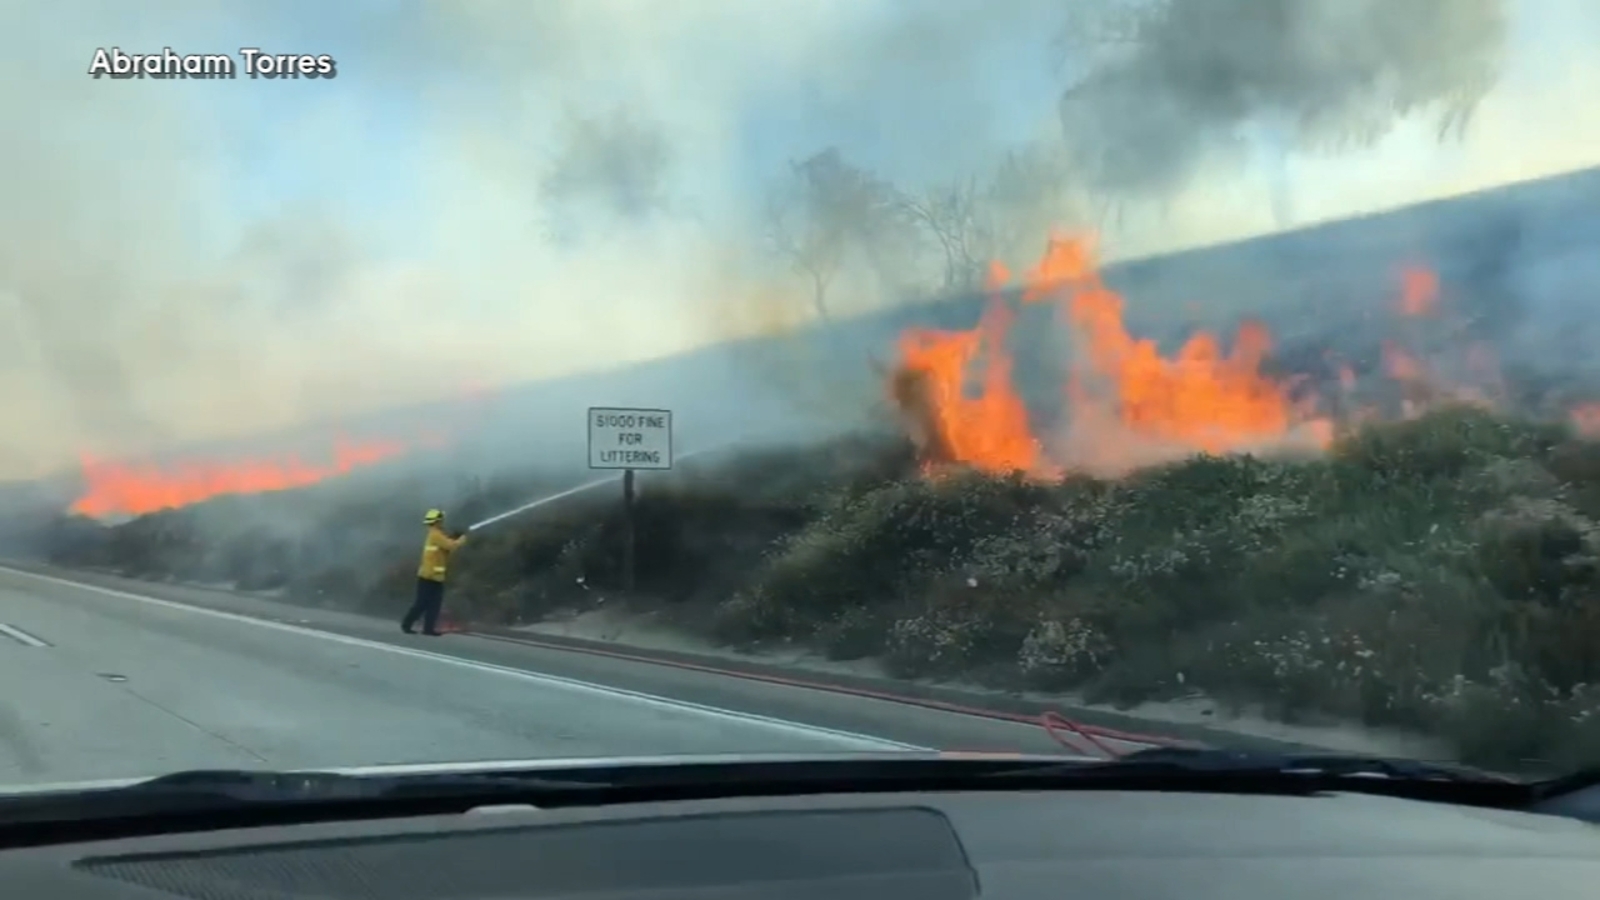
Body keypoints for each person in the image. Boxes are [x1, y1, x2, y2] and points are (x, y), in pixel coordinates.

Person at [402, 508, 467, 636]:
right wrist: (461, 540)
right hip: (429, 576)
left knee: (434, 605)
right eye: (440, 520)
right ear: (437, 521)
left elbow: (445, 547)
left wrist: (454, 538)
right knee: (422, 603)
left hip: (435, 577)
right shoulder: (435, 535)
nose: (442, 522)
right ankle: (407, 624)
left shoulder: (436, 535)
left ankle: (428, 629)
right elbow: (450, 546)